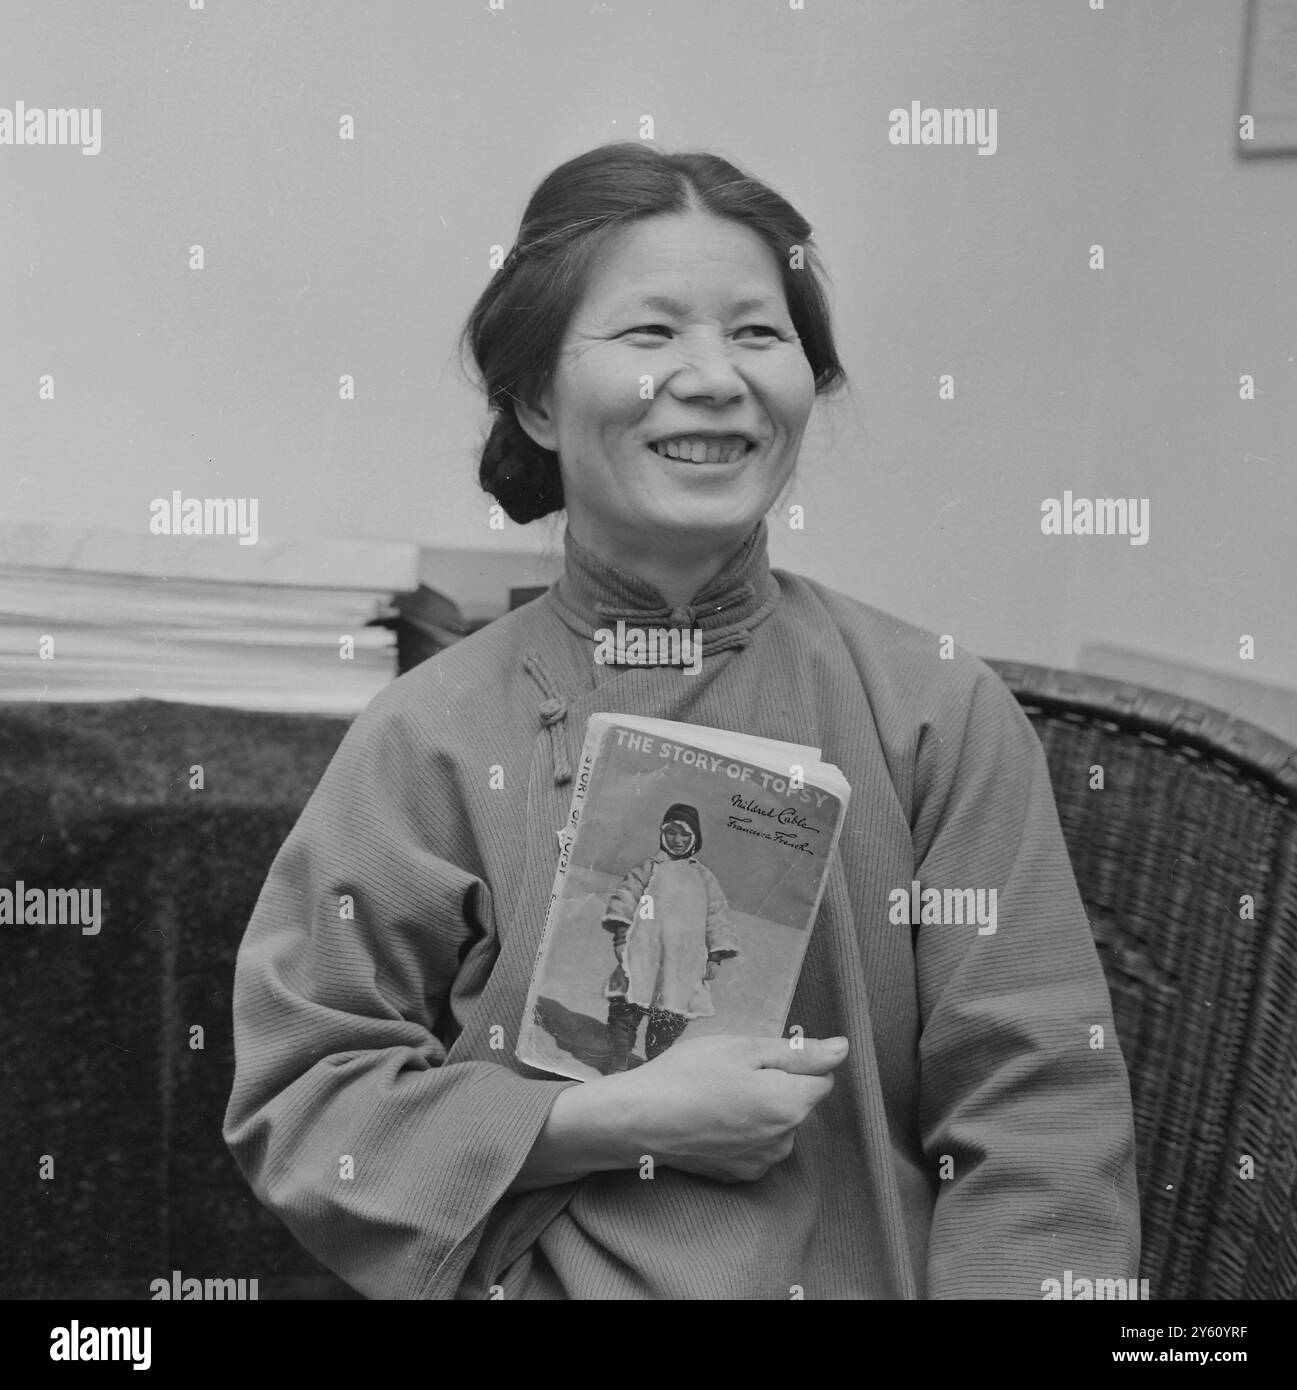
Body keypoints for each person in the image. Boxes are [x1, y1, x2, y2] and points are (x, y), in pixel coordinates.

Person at [223, 141, 1141, 1300]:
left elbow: (1039, 1112)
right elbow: (303, 1098)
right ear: (535, 398)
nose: (714, 376)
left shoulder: (934, 711)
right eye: (651, 334)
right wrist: (593, 1120)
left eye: (759, 334)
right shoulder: (432, 732)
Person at [600, 803, 738, 1072]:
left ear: (695, 838)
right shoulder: (648, 868)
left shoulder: (704, 877)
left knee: (671, 1011)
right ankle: (619, 1055)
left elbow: (717, 916)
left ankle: (657, 1062)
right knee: (626, 1006)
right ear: (662, 833)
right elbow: (626, 897)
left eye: (684, 835)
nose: (677, 840)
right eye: (671, 832)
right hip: (642, 952)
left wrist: (715, 955)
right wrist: (620, 936)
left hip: (682, 962)